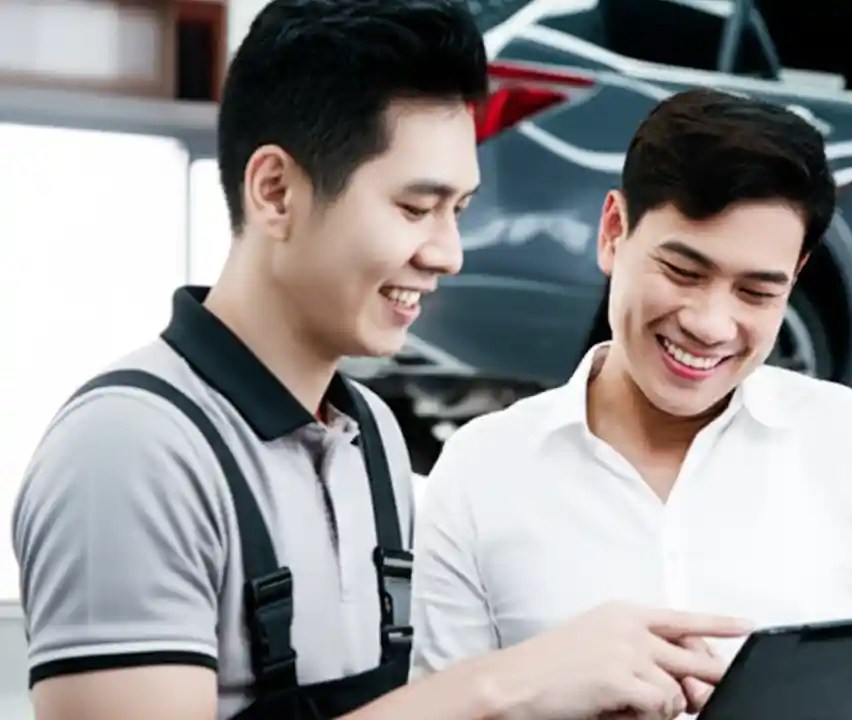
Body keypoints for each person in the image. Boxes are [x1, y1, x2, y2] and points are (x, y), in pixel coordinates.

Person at [9, 3, 751, 719]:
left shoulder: (372, 438)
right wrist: (501, 688)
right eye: (415, 207)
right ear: (275, 192)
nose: (447, 254)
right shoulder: (129, 452)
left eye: (457, 210)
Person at [409, 87, 852, 718]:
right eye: (684, 273)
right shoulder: (480, 473)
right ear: (614, 231)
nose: (712, 325)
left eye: (756, 292)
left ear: (794, 278)